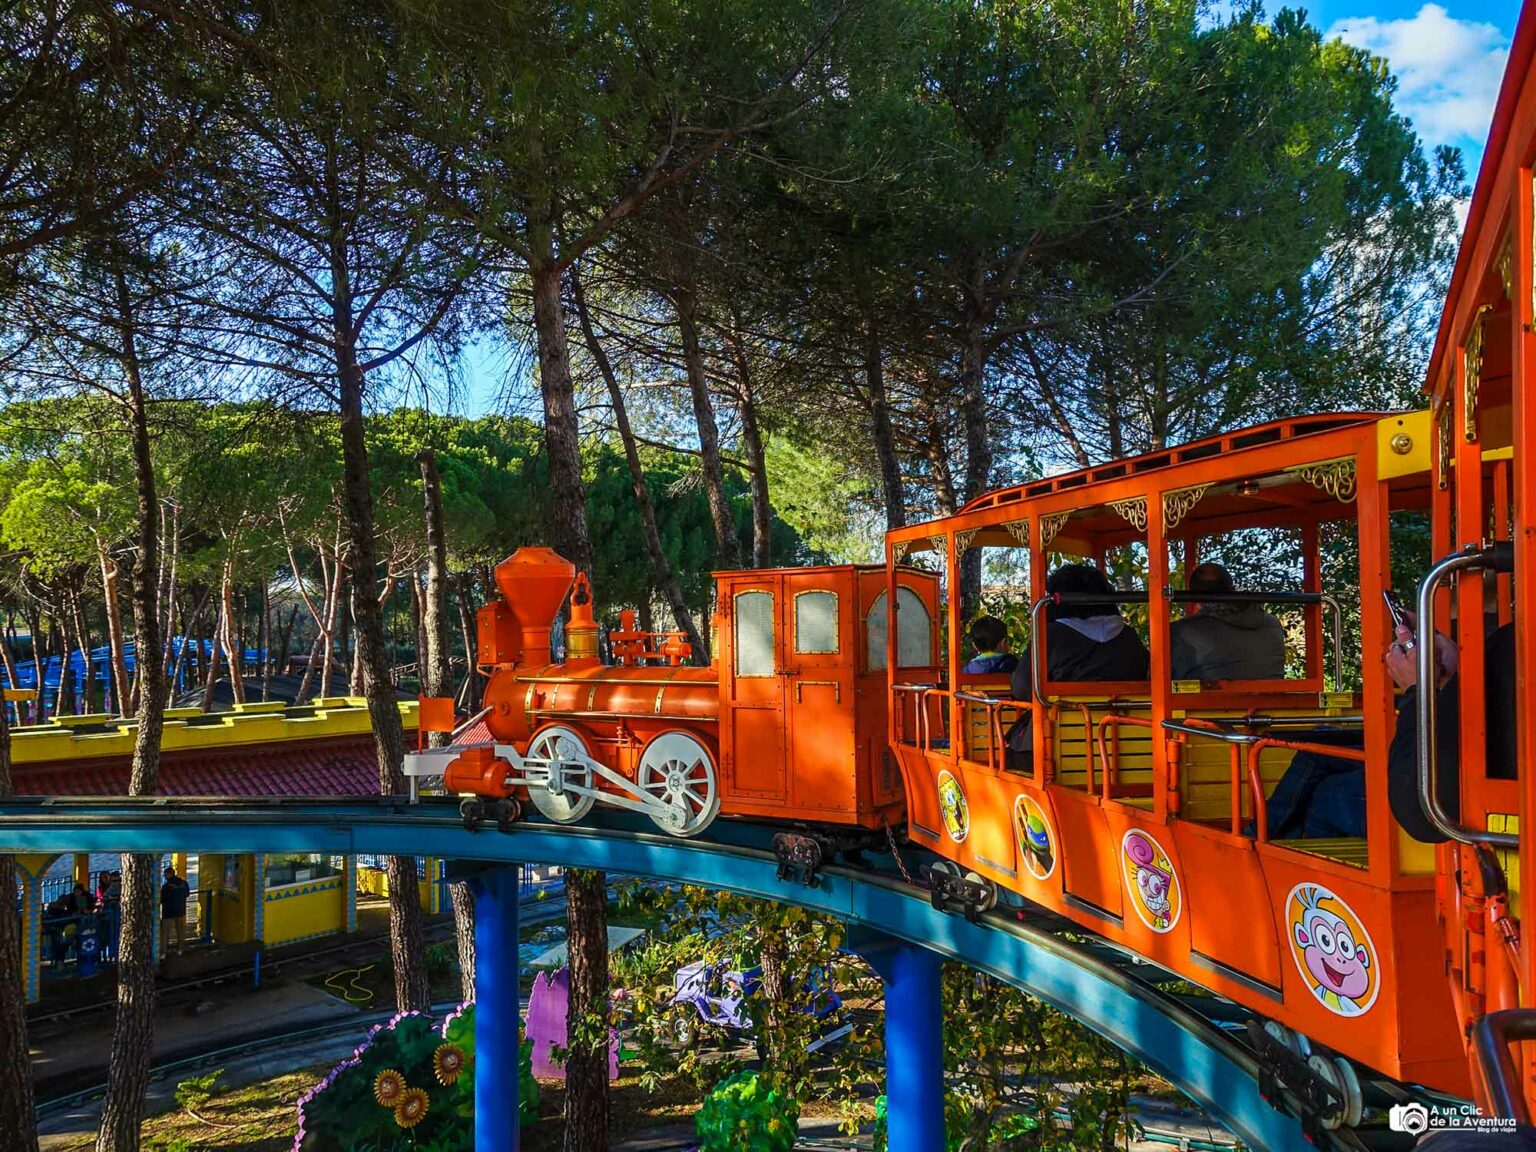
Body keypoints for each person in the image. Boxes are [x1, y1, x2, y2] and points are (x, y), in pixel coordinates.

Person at [1386, 617, 1516, 843]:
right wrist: (1459, 678)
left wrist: (1417, 690)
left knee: (1321, 795)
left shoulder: (1515, 645)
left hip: (1505, 851)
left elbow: (1423, 816)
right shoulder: (1507, 650)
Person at [1006, 565, 1149, 766]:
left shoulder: (1050, 636)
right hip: (1131, 751)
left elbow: (1022, 688)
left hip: (1057, 749)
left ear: (1058, 599)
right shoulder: (1129, 637)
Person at [1169, 562, 1286, 681]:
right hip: (1272, 697)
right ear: (1230, 586)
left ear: (1194, 596)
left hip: (1207, 699)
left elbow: (1165, 675)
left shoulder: (1182, 632)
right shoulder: (1272, 622)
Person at [160, 865, 191, 958]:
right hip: (180, 911)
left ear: (169, 874)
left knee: (165, 933)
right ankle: (180, 949)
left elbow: (163, 899)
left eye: (165, 875)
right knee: (180, 931)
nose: (164, 876)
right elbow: (187, 894)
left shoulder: (166, 886)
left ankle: (163, 952)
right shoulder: (184, 883)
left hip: (168, 912)